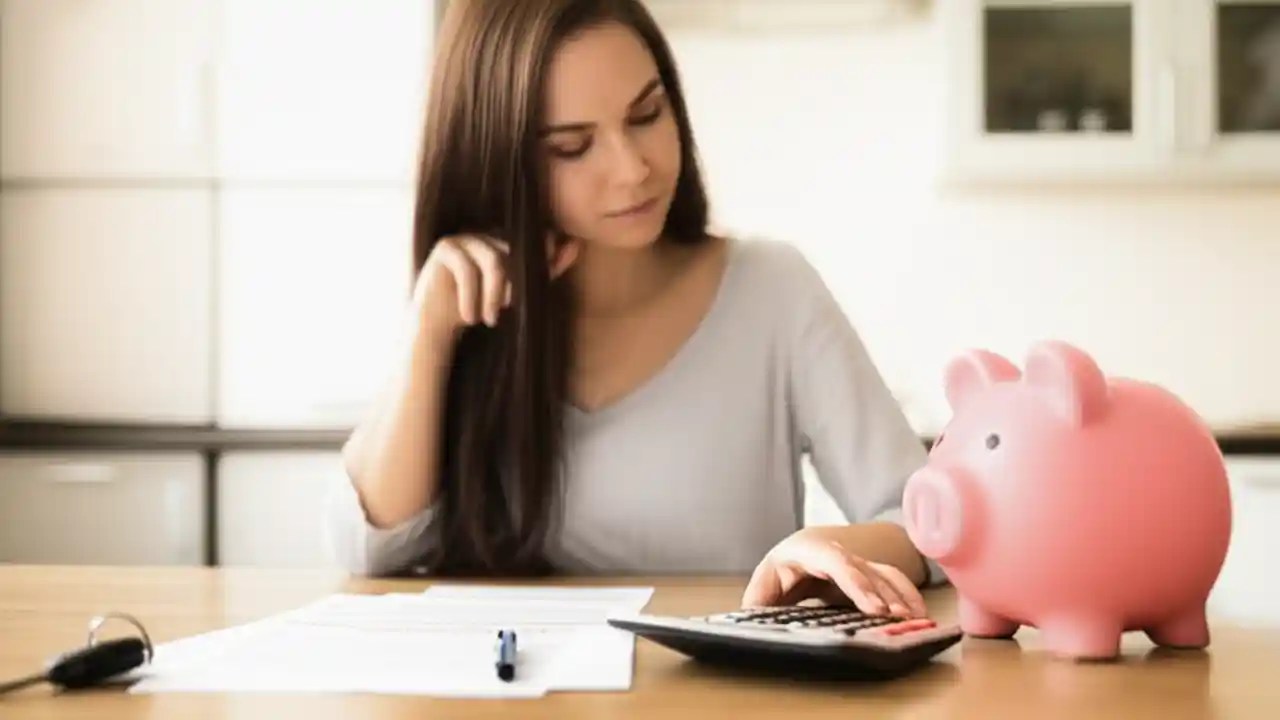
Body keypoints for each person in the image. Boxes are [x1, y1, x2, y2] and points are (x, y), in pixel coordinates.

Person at [326, 0, 944, 618]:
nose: (632, 169)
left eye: (646, 114)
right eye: (572, 147)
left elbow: (929, 520)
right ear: (498, 162)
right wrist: (430, 335)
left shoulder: (772, 290)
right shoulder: (472, 312)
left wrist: (828, 546)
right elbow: (369, 548)